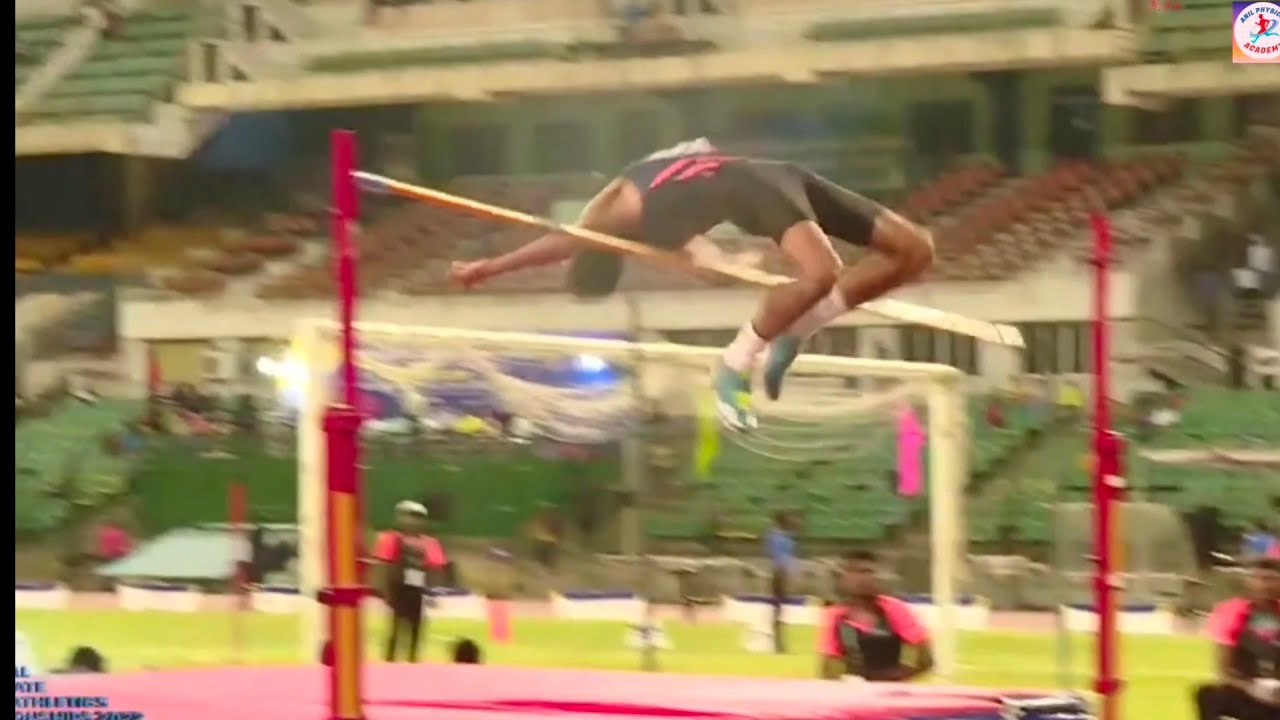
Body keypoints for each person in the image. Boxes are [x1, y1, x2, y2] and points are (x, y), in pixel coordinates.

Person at [449, 139, 934, 430]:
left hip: (769, 177)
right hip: (756, 188)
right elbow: (707, 263)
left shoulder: (614, 205)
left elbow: (563, 241)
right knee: (821, 272)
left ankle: (796, 329)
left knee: (915, 251)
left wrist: (490, 267)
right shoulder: (661, 236)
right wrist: (732, 263)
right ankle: (737, 361)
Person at [817, 549, 933, 681]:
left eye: (868, 572)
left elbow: (926, 660)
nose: (862, 579)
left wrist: (894, 679)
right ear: (843, 578)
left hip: (889, 694)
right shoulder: (835, 616)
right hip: (853, 694)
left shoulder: (894, 609)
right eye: (854, 572)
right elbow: (828, 669)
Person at [1193, 556, 1280, 720]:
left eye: (1271, 579)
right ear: (1249, 581)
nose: (1265, 585)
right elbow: (1224, 670)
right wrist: (1251, 687)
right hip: (1246, 690)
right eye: (1260, 579)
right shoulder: (1232, 612)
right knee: (1207, 694)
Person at [371, 500, 448, 662]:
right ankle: (391, 661)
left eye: (418, 517)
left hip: (416, 590)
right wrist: (383, 590)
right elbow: (384, 565)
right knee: (396, 629)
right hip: (399, 588)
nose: (414, 521)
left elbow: (436, 567)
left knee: (415, 630)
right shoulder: (393, 538)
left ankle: (409, 662)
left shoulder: (428, 542)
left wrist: (432, 592)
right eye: (411, 517)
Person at [763, 510, 797, 654]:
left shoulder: (779, 537)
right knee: (778, 610)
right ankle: (778, 645)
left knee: (779, 610)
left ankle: (779, 644)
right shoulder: (779, 537)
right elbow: (781, 558)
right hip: (780, 574)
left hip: (781, 574)